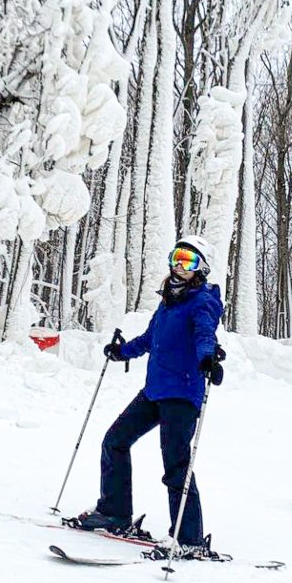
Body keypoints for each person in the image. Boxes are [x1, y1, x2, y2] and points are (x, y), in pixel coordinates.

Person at [77, 236, 224, 554]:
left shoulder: (203, 301)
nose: (179, 266)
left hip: (182, 393)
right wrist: (122, 352)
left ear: (201, 269)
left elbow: (204, 334)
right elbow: (149, 338)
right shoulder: (168, 302)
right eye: (177, 257)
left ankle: (189, 539)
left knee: (176, 464)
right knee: (114, 441)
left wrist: (207, 357)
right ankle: (114, 512)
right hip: (155, 390)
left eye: (189, 261)